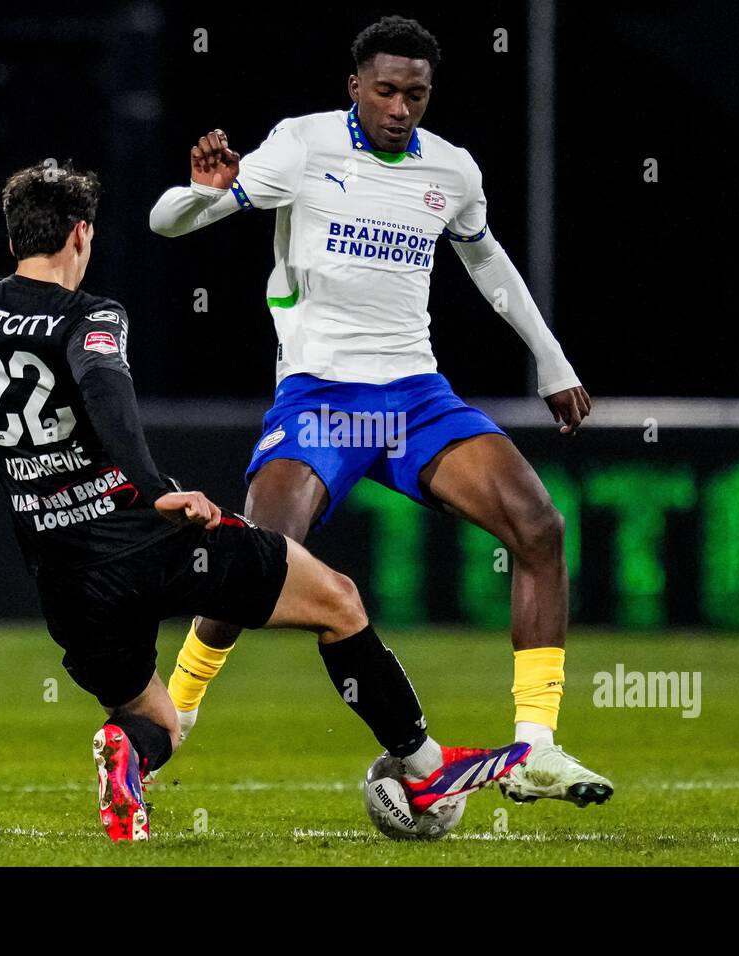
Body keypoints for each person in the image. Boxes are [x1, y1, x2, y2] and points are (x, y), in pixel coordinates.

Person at [0, 110, 529, 841]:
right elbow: (106, 396)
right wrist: (156, 489)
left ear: (13, 238)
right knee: (339, 602)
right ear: (80, 234)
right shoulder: (89, 315)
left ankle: (126, 760)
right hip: (144, 539)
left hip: (62, 573)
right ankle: (424, 762)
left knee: (154, 721)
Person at [150, 15, 612, 807]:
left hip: (415, 395)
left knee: (540, 526)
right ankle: (172, 718)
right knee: (255, 564)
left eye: (417, 95)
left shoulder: (452, 170)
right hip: (320, 394)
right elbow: (169, 222)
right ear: (356, 87)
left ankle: (536, 748)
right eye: (388, 91)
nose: (402, 109)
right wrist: (202, 192)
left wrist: (552, 357)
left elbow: (485, 258)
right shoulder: (303, 146)